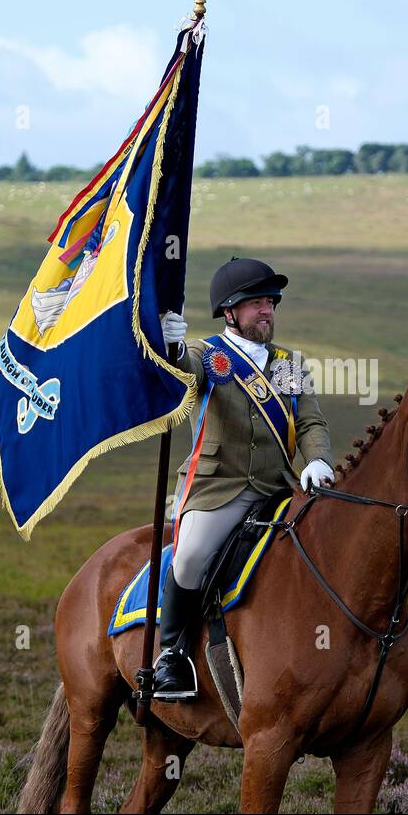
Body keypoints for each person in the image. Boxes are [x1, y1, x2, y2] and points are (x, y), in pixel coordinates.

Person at [151, 256, 335, 701]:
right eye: (256, 303)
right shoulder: (205, 352)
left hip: (277, 486)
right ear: (230, 311)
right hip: (218, 488)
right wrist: (171, 347)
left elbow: (309, 422)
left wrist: (317, 460)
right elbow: (182, 374)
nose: (267, 310)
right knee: (191, 554)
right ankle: (171, 656)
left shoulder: (286, 363)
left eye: (270, 301)